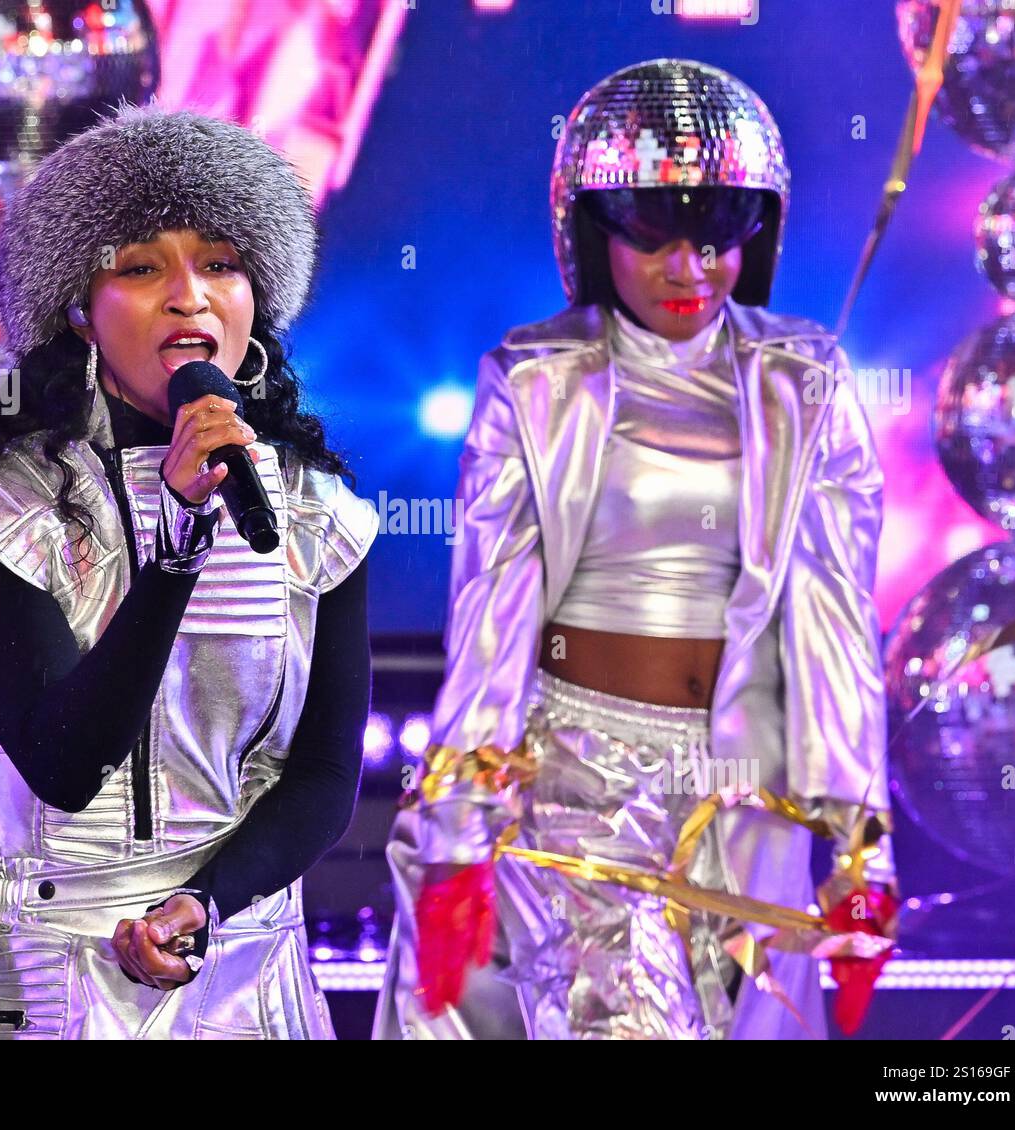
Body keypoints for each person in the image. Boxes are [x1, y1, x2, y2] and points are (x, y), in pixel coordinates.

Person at [374, 59, 898, 1041]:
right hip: (575, 781)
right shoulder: (533, 378)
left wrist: (860, 853)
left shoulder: (805, 377)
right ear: (591, 227)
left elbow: (831, 619)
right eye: (652, 236)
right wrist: (455, 836)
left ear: (761, 227)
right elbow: (492, 613)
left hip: (750, 790)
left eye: (718, 235)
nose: (687, 269)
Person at [0, 101, 378, 1039]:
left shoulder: (319, 514)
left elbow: (323, 772)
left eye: (219, 263)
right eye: (141, 266)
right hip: (46, 975)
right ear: (79, 308)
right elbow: (66, 763)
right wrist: (177, 543)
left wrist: (207, 903)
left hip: (242, 968)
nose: (188, 295)